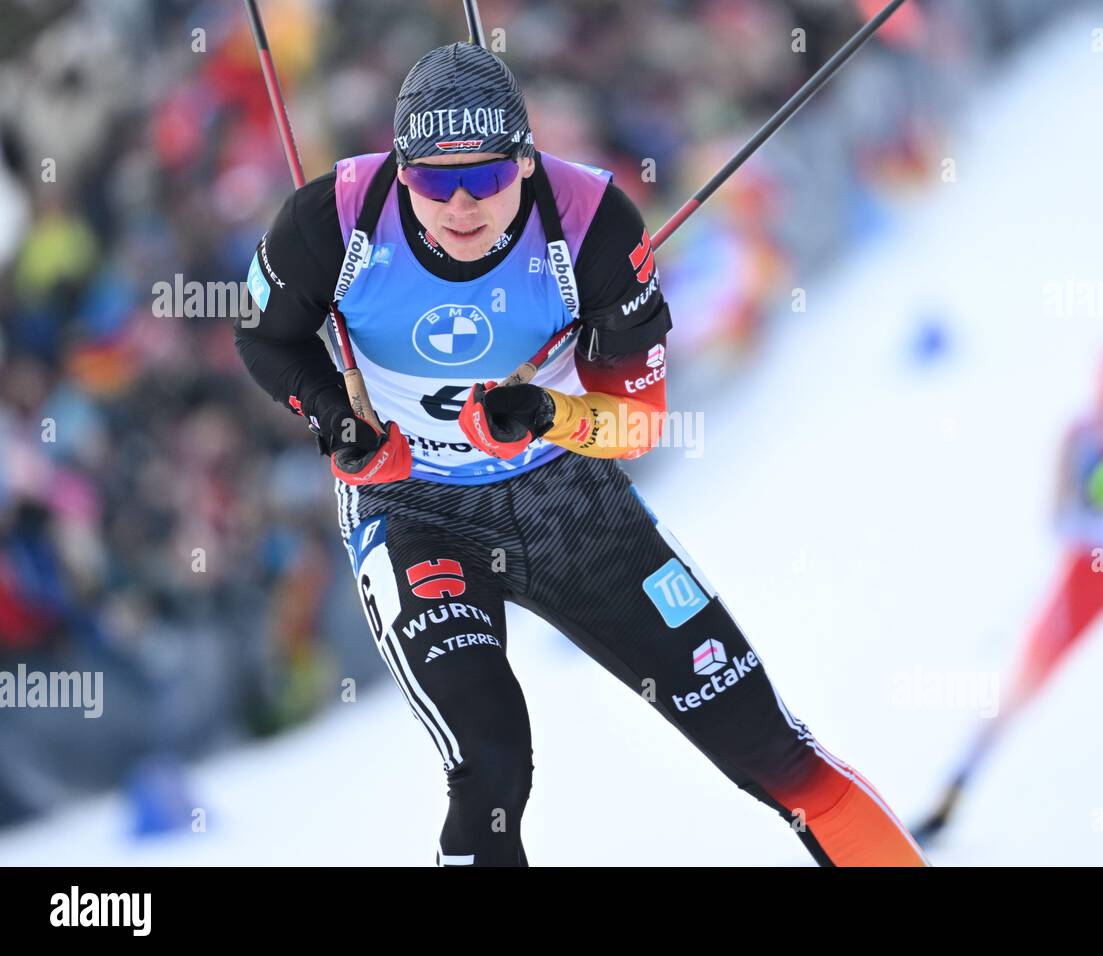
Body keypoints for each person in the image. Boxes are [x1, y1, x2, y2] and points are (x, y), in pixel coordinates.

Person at [234, 42, 925, 866]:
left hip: (567, 502)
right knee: (489, 766)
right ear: (399, 168)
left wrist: (547, 413)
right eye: (432, 180)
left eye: (486, 177)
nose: (460, 205)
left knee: (769, 750)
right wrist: (336, 422)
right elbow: (266, 338)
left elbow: (638, 422)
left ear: (524, 165)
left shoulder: (590, 227)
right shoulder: (332, 220)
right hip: (414, 510)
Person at [913, 343, 1103, 861]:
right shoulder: (1080, 438)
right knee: (1024, 679)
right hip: (1090, 572)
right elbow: (1058, 521)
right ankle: (951, 795)